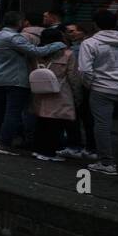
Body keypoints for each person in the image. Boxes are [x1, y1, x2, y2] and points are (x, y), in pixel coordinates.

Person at [0, 11, 66, 156]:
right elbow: (35, 51)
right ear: (18, 22)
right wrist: (57, 45)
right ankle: (4, 144)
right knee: (12, 113)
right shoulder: (14, 37)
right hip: (14, 80)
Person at [76, 9, 118, 175]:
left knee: (102, 126)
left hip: (101, 89)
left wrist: (90, 85)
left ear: (95, 24)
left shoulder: (90, 43)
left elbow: (85, 70)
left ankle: (107, 162)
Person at [29, 26, 80, 162]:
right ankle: (49, 152)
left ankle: (38, 149)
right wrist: (77, 96)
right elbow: (73, 77)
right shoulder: (68, 54)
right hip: (60, 93)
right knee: (56, 124)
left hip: (39, 91)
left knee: (41, 122)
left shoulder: (36, 53)